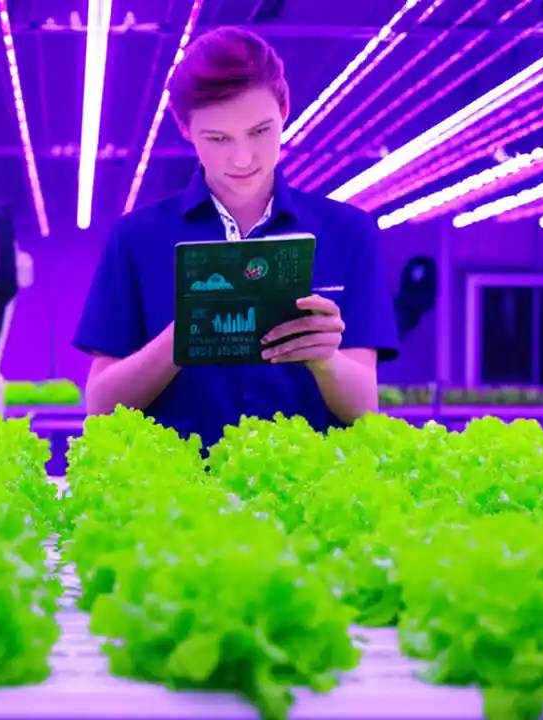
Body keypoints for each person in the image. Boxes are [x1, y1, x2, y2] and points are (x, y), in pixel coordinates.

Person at [72, 25, 400, 446]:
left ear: (284, 108)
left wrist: (325, 361)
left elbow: (364, 407)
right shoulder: (136, 239)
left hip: (305, 483)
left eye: (260, 131)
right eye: (218, 138)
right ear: (185, 128)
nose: (242, 158)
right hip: (176, 484)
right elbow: (100, 405)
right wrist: (185, 335)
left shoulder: (347, 232)